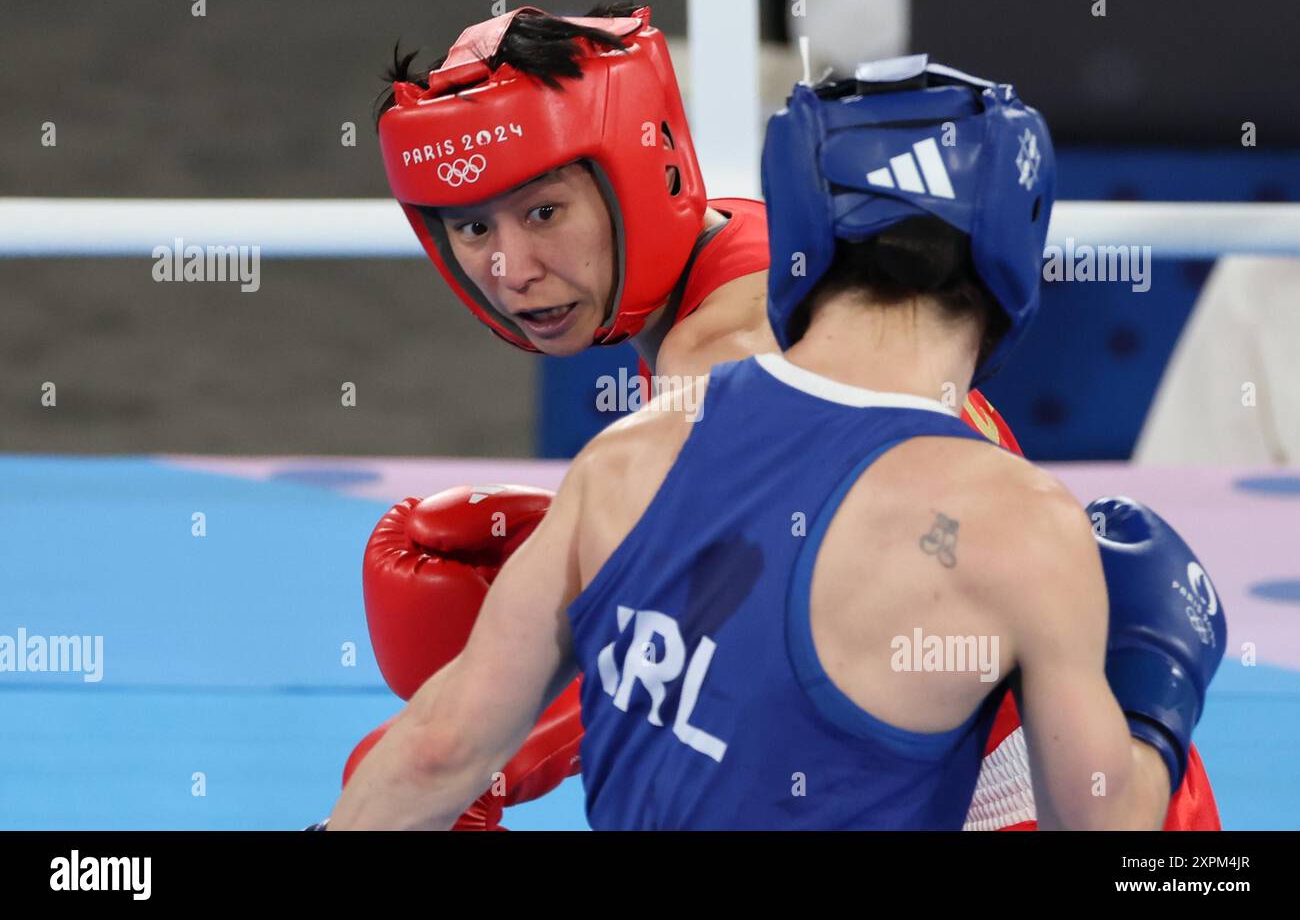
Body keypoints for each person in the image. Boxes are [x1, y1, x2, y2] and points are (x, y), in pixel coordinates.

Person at [323, 57, 1226, 830]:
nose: (510, 269)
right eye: (475, 226)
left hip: (998, 772)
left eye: (545, 213)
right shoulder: (1030, 530)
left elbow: (442, 752)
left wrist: (550, 685)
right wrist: (1156, 692)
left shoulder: (640, 449)